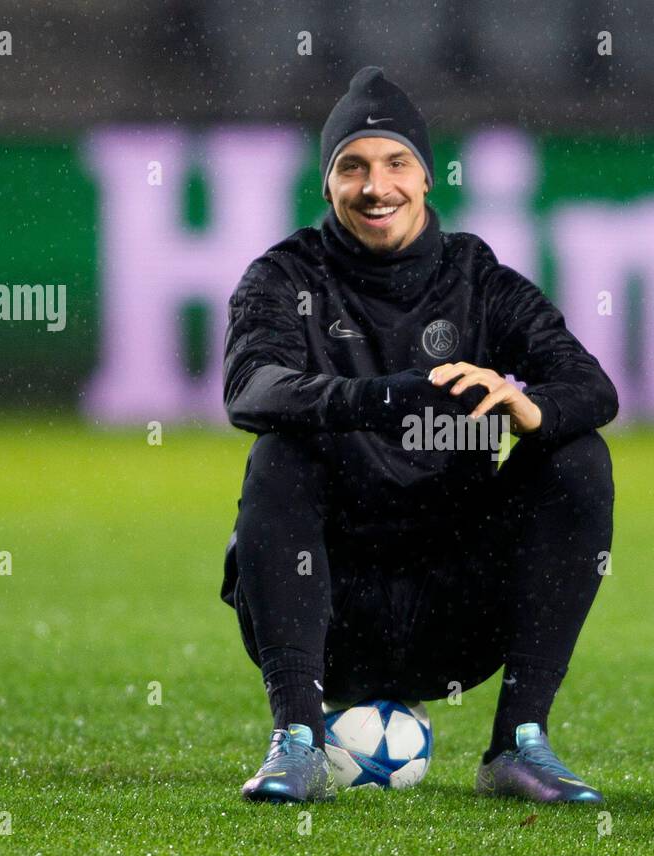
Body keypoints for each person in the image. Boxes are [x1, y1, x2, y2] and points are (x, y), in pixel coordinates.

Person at [220, 66, 619, 803]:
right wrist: (384, 399)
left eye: (397, 162)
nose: (377, 187)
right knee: (279, 446)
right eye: (353, 166)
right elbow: (250, 390)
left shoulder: (477, 278)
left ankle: (518, 745)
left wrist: (528, 408)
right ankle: (298, 741)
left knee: (577, 454)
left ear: (427, 178)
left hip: (456, 617)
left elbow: (592, 387)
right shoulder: (284, 277)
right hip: (328, 612)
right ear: (327, 184)